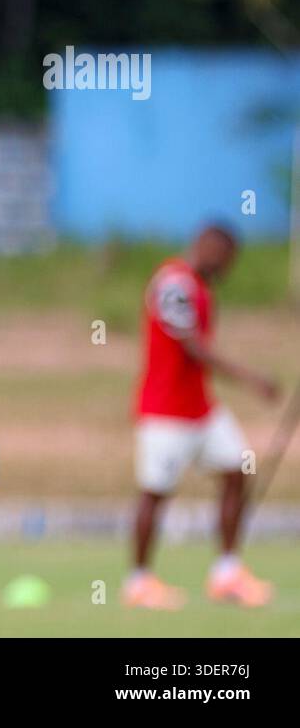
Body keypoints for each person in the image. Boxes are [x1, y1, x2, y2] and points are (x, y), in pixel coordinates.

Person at [123, 224, 280, 610]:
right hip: (165, 410)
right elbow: (193, 347)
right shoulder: (173, 283)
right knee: (154, 493)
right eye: (227, 258)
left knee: (236, 472)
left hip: (201, 408)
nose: (228, 267)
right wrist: (251, 379)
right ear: (208, 247)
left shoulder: (198, 286)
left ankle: (227, 572)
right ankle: (139, 581)